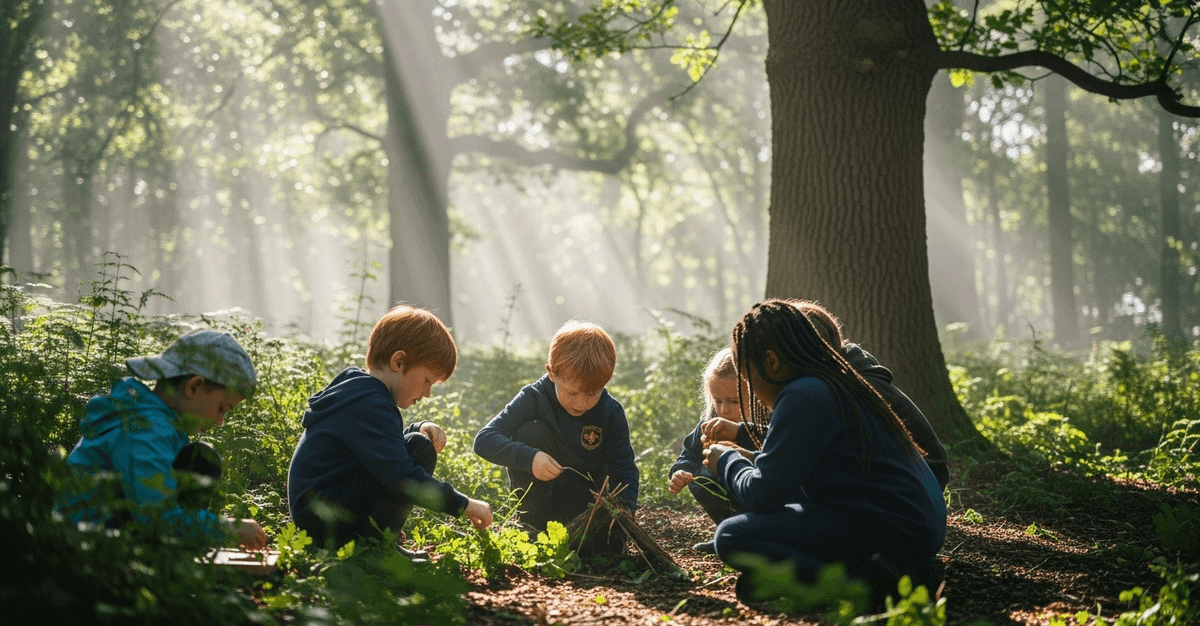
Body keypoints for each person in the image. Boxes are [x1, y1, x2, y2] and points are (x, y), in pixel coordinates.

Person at [704, 299, 946, 607]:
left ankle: (857, 591)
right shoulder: (840, 380)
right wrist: (741, 434)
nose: (754, 392)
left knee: (731, 537)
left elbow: (764, 494)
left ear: (771, 362)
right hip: (918, 529)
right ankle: (880, 572)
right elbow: (801, 445)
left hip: (892, 531)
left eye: (748, 380)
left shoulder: (802, 394)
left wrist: (726, 460)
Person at [287, 305, 493, 555]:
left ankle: (376, 546)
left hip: (319, 509)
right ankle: (376, 551)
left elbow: (380, 445)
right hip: (324, 520)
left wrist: (419, 427)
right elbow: (402, 476)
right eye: (427, 381)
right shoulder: (371, 405)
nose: (427, 393)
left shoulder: (360, 391)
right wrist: (464, 505)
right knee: (417, 451)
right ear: (398, 361)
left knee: (418, 442)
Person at [59, 329, 267, 550]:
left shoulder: (157, 423)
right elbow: (155, 517)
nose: (219, 421)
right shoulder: (144, 430)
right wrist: (228, 529)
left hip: (100, 535)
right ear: (193, 387)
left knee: (201, 459)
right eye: (221, 408)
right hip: (79, 547)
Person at [473, 321, 639, 541]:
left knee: (602, 547)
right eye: (572, 392)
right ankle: (530, 528)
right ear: (551, 373)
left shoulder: (611, 411)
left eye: (592, 393)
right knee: (530, 432)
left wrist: (623, 513)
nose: (581, 403)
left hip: (586, 509)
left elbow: (624, 469)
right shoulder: (534, 397)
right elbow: (484, 440)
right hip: (540, 506)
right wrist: (530, 458)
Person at [667, 348, 752, 552]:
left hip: (756, 492)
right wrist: (680, 471)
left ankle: (751, 534)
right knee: (701, 476)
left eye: (734, 401)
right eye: (718, 400)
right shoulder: (710, 423)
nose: (724, 410)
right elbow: (689, 453)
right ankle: (727, 531)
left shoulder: (764, 425)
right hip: (725, 492)